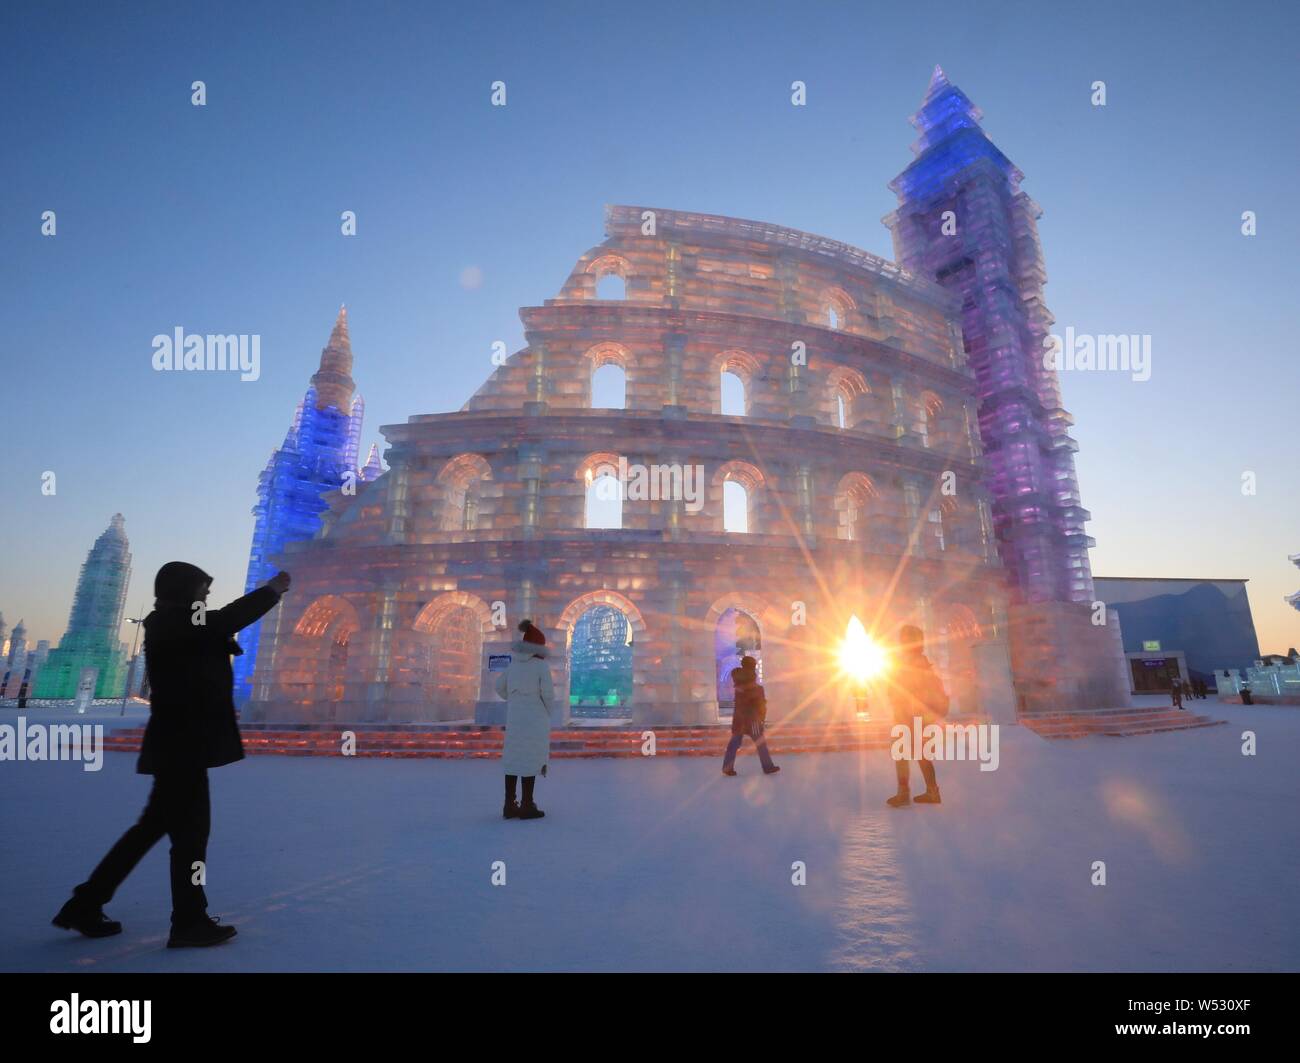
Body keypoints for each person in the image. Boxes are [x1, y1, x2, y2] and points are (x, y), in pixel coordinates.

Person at [52, 562, 289, 947]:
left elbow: (218, 623)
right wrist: (271, 591)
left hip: (180, 748)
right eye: (202, 590)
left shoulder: (177, 624)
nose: (206, 596)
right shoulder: (174, 624)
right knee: (190, 840)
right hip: (183, 748)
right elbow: (226, 619)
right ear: (184, 592)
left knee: (152, 831)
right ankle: (188, 920)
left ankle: (87, 903)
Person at [495, 619, 555, 820]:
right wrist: (547, 711)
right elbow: (548, 694)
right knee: (530, 758)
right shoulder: (540, 666)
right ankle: (527, 805)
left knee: (513, 758)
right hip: (535, 719)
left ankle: (509, 806)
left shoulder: (513, 665)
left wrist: (513, 699)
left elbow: (499, 687)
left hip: (515, 718)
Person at [887, 625, 947, 808]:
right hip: (921, 714)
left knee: (902, 753)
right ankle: (931, 792)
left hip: (908, 714)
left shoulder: (908, 662)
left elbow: (899, 688)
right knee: (921, 753)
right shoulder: (922, 661)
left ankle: (904, 793)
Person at [721, 656, 780, 776]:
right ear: (753, 667)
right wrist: (762, 719)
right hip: (753, 720)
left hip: (739, 719)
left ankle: (727, 767)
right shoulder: (757, 689)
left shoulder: (737, 685)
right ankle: (767, 767)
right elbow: (761, 706)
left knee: (734, 744)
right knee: (760, 743)